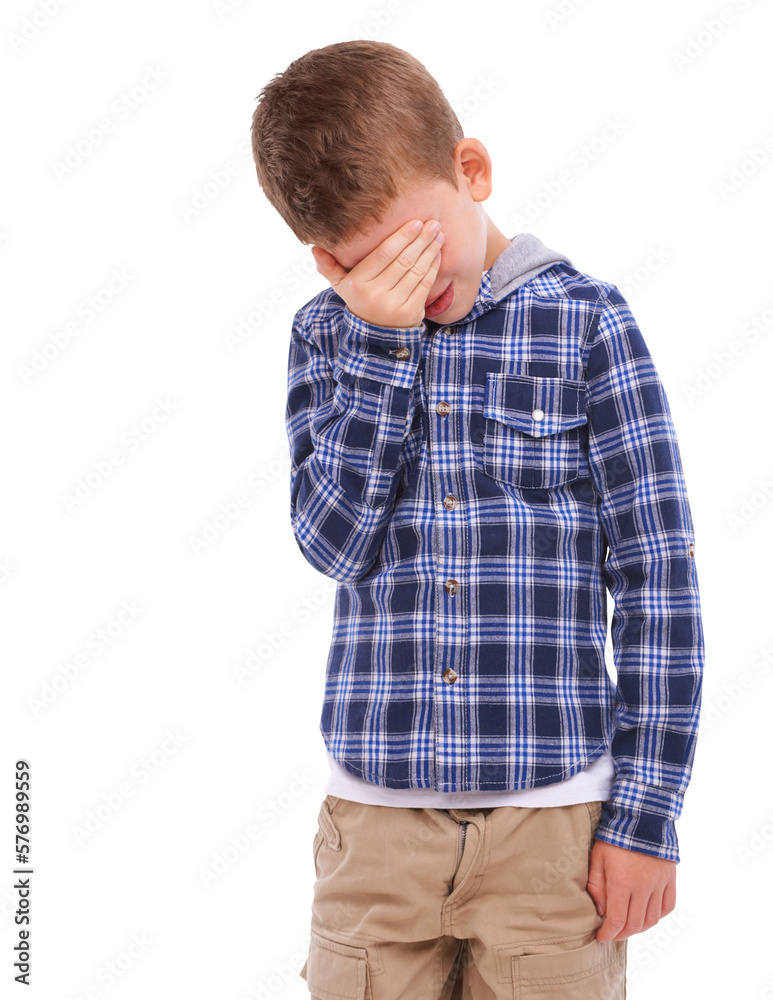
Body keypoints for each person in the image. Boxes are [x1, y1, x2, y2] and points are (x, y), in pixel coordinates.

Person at [250, 39, 704, 1000]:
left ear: (471, 170)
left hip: (554, 830)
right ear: (327, 261)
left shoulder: (588, 322)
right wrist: (379, 348)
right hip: (375, 831)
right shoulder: (326, 336)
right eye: (370, 266)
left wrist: (646, 814)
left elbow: (657, 575)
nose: (408, 282)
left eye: (418, 245)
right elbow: (333, 543)